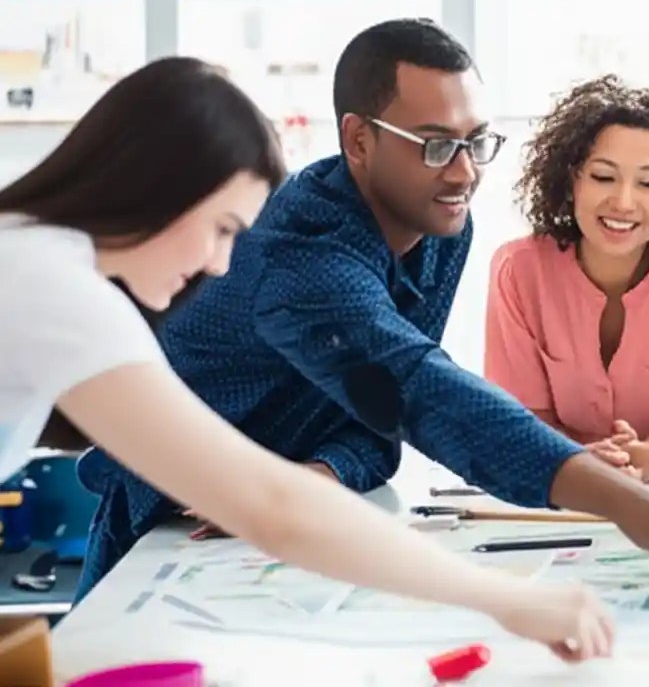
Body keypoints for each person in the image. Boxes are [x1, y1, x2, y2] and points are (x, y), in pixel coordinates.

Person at [77, 19, 649, 608]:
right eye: (437, 144)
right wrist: (631, 504)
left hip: (295, 527)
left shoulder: (442, 229)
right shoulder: (304, 257)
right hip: (169, 526)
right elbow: (421, 393)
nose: (466, 172)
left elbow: (377, 429)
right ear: (358, 141)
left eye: (476, 142)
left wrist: (322, 473)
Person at [0, 56, 613, 660]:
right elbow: (275, 506)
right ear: (157, 191)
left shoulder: (31, 256)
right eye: (221, 228)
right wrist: (509, 600)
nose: (218, 264)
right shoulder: (55, 286)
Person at [485, 75, 649, 483]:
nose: (624, 202)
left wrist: (642, 459)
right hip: (549, 484)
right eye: (603, 177)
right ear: (571, 180)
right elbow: (524, 420)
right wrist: (581, 464)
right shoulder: (517, 270)